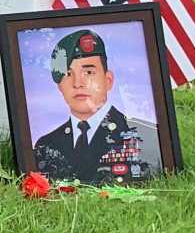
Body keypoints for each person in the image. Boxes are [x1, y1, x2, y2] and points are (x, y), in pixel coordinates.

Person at [30, 29, 162, 183]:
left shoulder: (148, 136)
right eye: (68, 74)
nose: (78, 83)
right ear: (60, 86)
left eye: (88, 72)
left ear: (108, 80)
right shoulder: (46, 145)